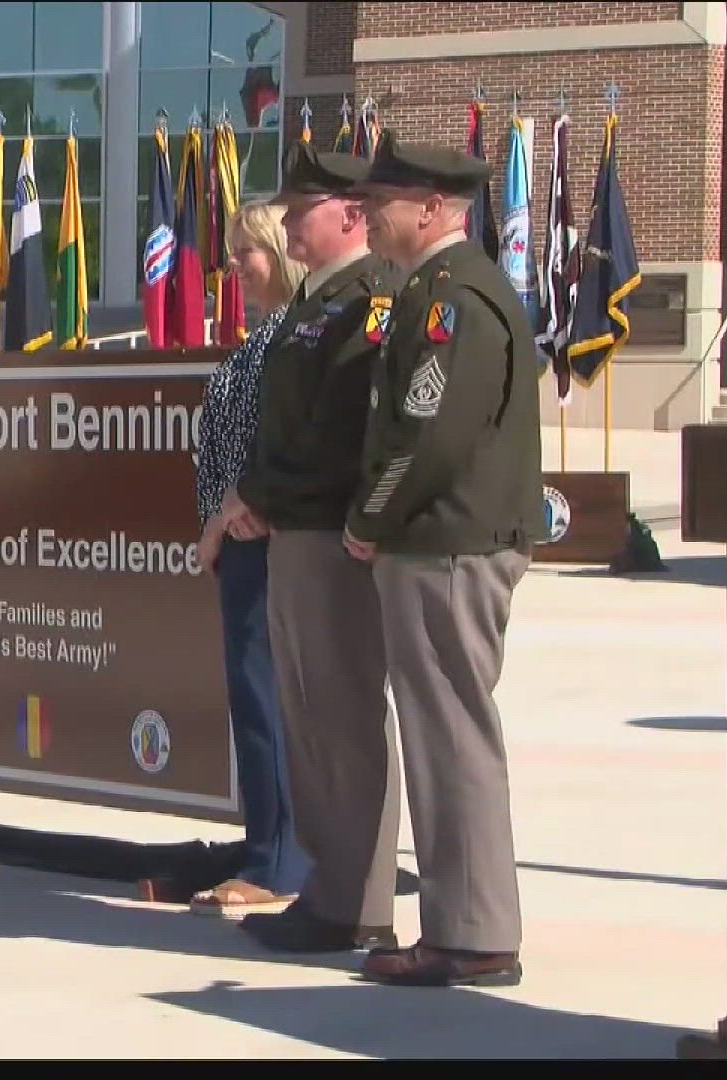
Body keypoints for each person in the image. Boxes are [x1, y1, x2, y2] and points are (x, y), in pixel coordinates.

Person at [345, 134, 543, 987]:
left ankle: (471, 935)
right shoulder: (433, 290)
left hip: (445, 545)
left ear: (431, 208)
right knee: (445, 735)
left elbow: (428, 434)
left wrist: (370, 517)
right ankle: (465, 925)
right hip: (438, 543)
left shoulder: (452, 300)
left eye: (382, 201)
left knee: (451, 737)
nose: (369, 215)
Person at [230, 144, 406, 952]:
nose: (292, 224)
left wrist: (268, 495)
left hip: (330, 532)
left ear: (347, 216)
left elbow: (346, 428)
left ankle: (358, 902)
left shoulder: (371, 300)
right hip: (290, 530)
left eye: (302, 212)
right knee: (308, 720)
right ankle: (328, 889)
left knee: (342, 720)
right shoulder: (312, 305)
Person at [187, 201, 310, 918]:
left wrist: (230, 516)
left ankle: (277, 861)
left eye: (247, 252)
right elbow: (219, 447)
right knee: (251, 701)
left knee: (269, 703)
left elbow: (275, 445)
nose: (235, 266)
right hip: (232, 547)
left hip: (266, 544)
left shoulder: (296, 339)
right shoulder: (257, 339)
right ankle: (264, 845)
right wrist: (212, 523)